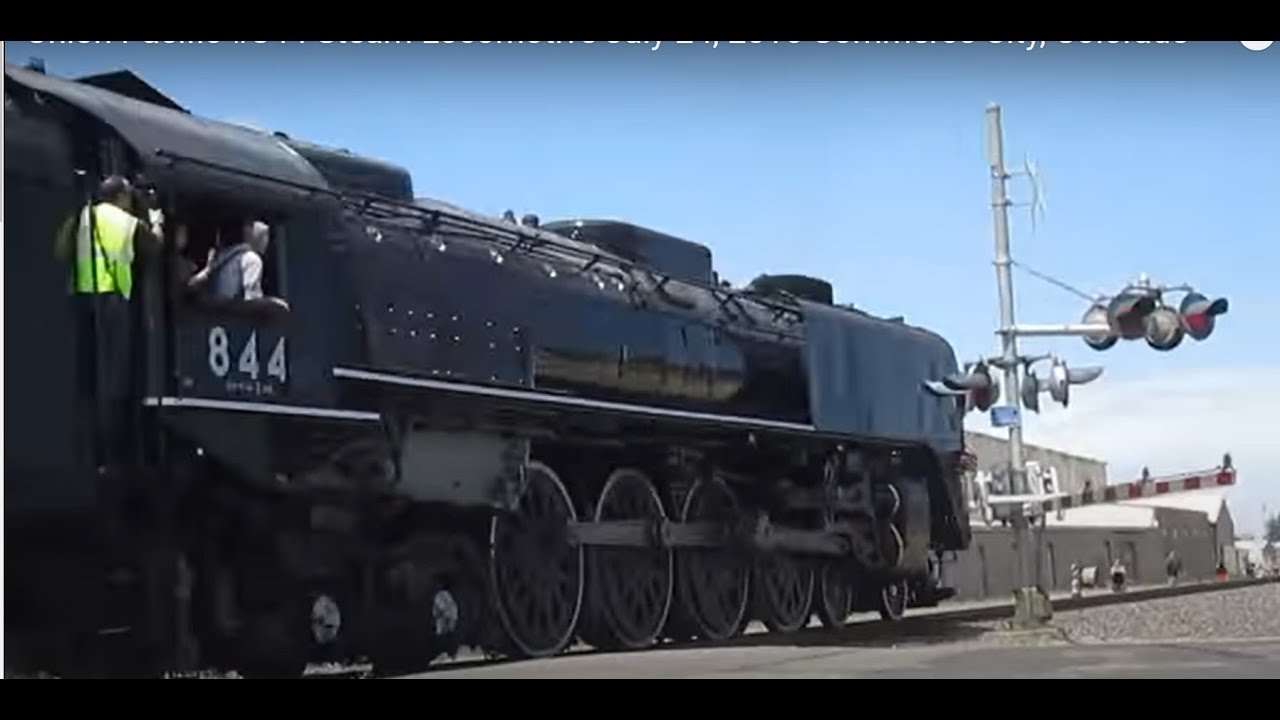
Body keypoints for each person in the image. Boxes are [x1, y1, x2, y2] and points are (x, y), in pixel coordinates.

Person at [53, 174, 164, 467]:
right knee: (116, 377)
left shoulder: (79, 217)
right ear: (122, 196)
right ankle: (113, 449)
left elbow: (61, 251)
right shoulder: (128, 222)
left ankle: (85, 448)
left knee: (87, 377)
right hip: (113, 301)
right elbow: (154, 248)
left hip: (80, 301)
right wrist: (156, 218)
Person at [188, 219, 269, 302]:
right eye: (264, 235)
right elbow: (253, 302)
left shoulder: (218, 260)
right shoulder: (251, 259)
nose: (266, 241)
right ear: (248, 232)